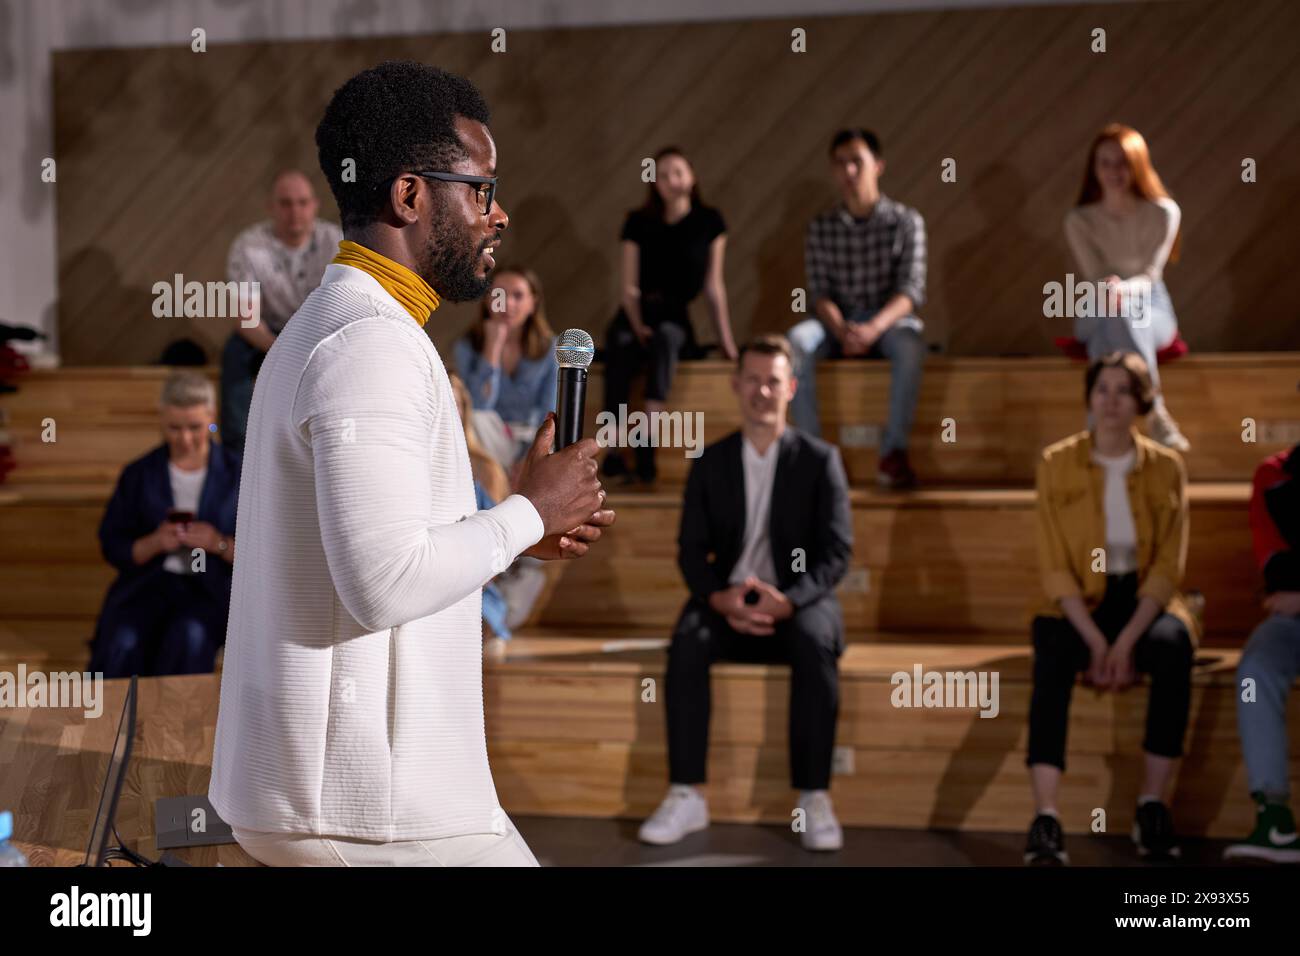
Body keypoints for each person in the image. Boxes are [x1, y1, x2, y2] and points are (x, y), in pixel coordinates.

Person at [208, 61, 615, 868]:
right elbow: (380, 581)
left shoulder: (343, 322)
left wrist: (509, 534)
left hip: (352, 797)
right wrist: (528, 511)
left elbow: (369, 551)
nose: (500, 216)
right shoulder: (371, 344)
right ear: (410, 195)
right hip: (364, 807)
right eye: (482, 191)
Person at [639, 334, 853, 852]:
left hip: (796, 603)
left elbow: (836, 553)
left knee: (816, 643)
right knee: (687, 641)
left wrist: (791, 600)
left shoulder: (820, 460)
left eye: (773, 381)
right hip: (727, 600)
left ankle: (814, 795)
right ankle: (686, 792)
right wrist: (719, 599)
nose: (762, 391)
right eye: (753, 380)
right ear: (736, 385)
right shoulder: (710, 462)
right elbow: (691, 551)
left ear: (791, 388)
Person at [1025, 352, 1196, 865]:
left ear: (1141, 401)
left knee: (1172, 646)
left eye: (1124, 390)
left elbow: (1169, 565)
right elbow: (1053, 563)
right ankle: (1047, 815)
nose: (1112, 400)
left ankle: (1151, 805)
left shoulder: (1167, 468)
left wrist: (1124, 640)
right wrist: (1097, 640)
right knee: (1053, 653)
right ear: (1090, 397)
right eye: (1103, 389)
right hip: (1077, 602)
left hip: (1140, 600)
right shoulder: (1056, 462)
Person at [788, 128, 927, 489]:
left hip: (888, 321)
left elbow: (910, 292)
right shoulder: (821, 227)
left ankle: (892, 453)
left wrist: (873, 329)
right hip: (836, 323)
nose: (849, 171)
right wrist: (842, 330)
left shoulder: (906, 221)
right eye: (840, 164)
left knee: (911, 343)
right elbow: (819, 293)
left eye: (856, 162)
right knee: (796, 343)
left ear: (877, 166)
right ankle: (815, 457)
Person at [89, 371, 240, 677]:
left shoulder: (240, 473)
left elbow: (266, 552)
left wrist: (218, 543)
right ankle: (113, 722)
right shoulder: (139, 473)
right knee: (122, 641)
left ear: (212, 417)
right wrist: (154, 542)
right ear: (161, 419)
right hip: (149, 585)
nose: (185, 439)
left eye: (195, 427)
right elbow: (112, 544)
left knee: (189, 637)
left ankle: (174, 725)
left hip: (211, 589)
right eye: (174, 428)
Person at [601, 146, 737, 485]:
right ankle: (615, 448)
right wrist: (636, 324)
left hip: (674, 315)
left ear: (692, 177)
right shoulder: (637, 222)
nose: (671, 181)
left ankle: (647, 445)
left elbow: (713, 287)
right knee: (619, 343)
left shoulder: (709, 222)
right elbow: (629, 286)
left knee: (665, 341)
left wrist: (727, 343)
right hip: (635, 312)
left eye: (678, 172)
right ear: (654, 183)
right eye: (662, 175)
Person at [1064, 123, 1189, 452]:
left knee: (1123, 320)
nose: (1113, 171)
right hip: (1098, 303)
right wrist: (1110, 292)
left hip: (1152, 305)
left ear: (1137, 164)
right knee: (1114, 314)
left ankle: (1097, 428)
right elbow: (1096, 278)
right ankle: (1156, 414)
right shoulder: (1079, 220)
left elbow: (1150, 274)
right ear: (1094, 169)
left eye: (1121, 162)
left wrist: (1123, 291)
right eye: (1104, 163)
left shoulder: (1164, 213)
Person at [219, 169, 342, 455]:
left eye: (302, 202)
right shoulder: (249, 246)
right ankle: (237, 451)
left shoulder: (336, 242)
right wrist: (285, 351)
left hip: (322, 331)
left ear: (314, 205)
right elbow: (246, 320)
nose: (294, 212)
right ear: (271, 207)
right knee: (235, 353)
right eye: (285, 203)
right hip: (267, 336)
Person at [1224, 442, 1300, 862]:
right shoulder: (1274, 475)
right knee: (1254, 673)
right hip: (1290, 622)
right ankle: (1274, 817)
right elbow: (1276, 568)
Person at [453, 266, 558, 469]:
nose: (508, 304)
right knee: (475, 419)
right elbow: (478, 406)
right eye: (499, 295)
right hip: (488, 439)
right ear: (487, 300)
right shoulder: (467, 346)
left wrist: (528, 458)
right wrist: (492, 347)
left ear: (533, 303)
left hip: (532, 439)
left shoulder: (550, 348)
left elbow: (550, 412)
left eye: (518, 296)